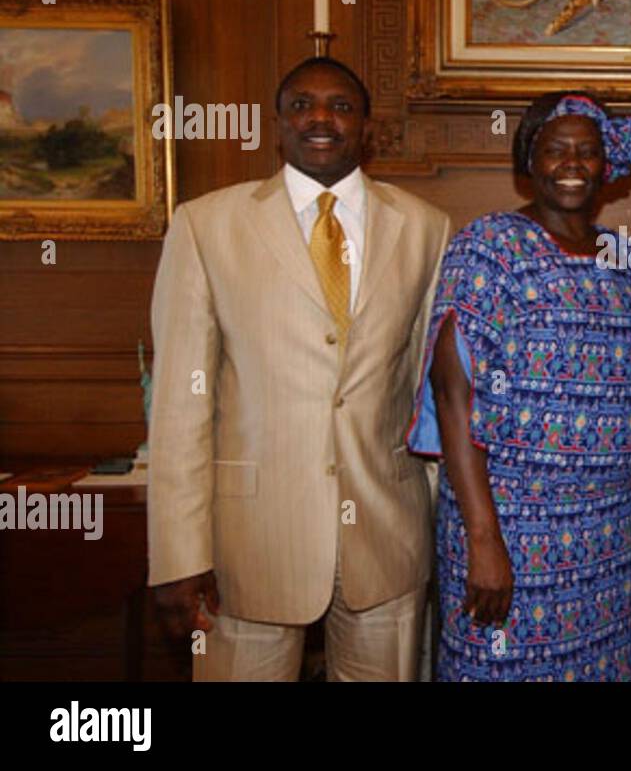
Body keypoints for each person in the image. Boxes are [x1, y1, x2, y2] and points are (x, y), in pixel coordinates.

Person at [147, 57, 451, 681]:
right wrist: (178, 554)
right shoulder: (207, 226)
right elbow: (180, 405)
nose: (321, 118)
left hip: (386, 537)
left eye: (340, 106)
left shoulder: (426, 229)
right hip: (249, 542)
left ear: (366, 126)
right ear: (277, 123)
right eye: (302, 105)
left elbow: (429, 396)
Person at [407, 91, 631, 681]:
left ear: (607, 166)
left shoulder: (624, 259)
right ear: (529, 162)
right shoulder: (486, 248)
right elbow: (453, 396)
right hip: (510, 527)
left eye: (587, 152)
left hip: (608, 535)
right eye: (555, 151)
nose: (572, 164)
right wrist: (483, 540)